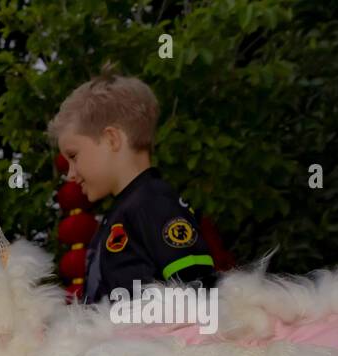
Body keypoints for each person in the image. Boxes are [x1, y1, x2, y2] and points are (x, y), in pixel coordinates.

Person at [48, 73, 217, 305]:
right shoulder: (120, 213)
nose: (71, 173)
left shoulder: (154, 203)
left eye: (74, 156)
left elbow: (199, 294)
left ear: (112, 139)